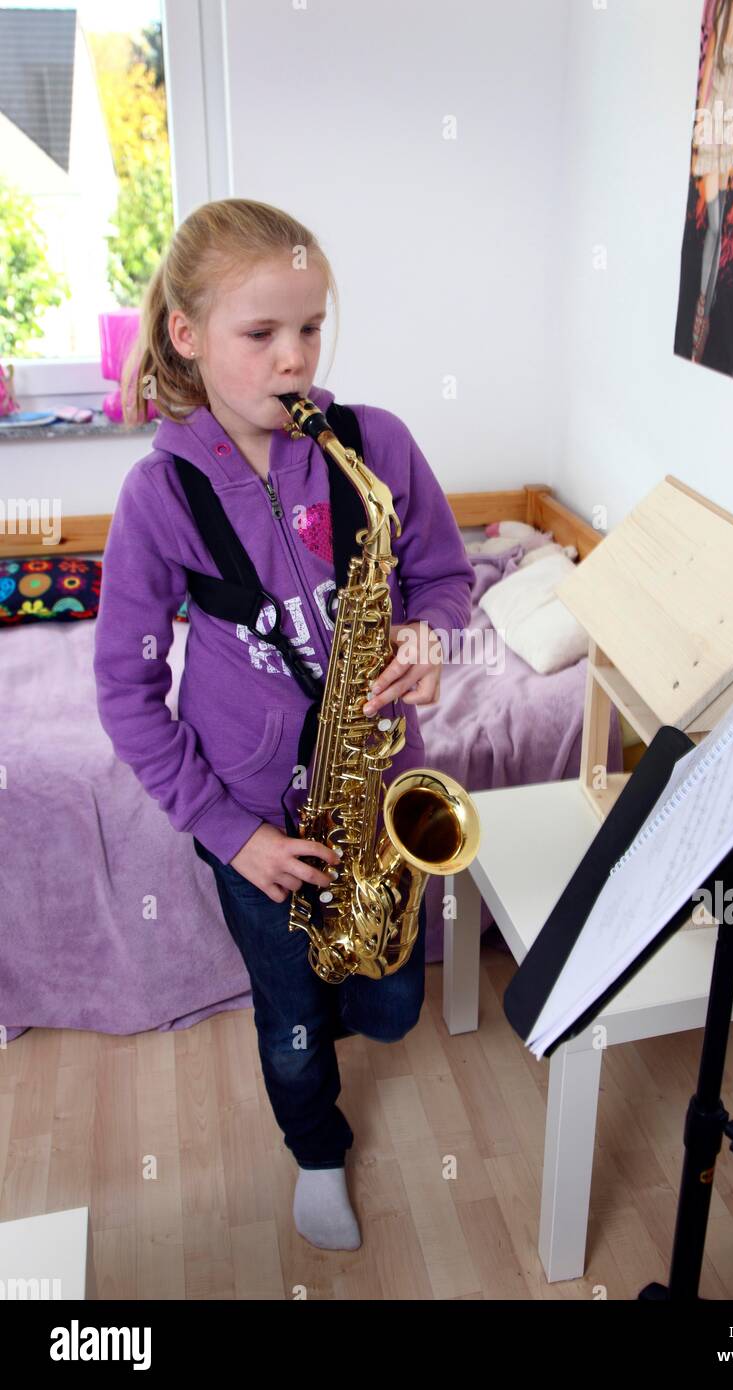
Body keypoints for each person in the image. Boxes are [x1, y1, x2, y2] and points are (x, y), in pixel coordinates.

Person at [93, 197, 477, 1250]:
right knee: (294, 1023)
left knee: (388, 1002)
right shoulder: (159, 495)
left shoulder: (374, 446)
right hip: (255, 823)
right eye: (259, 334)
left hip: (370, 797)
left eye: (309, 329)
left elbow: (444, 577)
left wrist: (434, 637)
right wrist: (233, 835)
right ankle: (315, 1147)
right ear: (186, 334)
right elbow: (126, 692)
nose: (294, 359)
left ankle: (356, 1005)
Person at [690, 0, 733, 363]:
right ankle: (703, 305)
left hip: (729, 120)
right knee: (714, 224)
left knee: (718, 226)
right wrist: (699, 124)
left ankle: (707, 302)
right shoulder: (719, 11)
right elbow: (707, 76)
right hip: (712, 116)